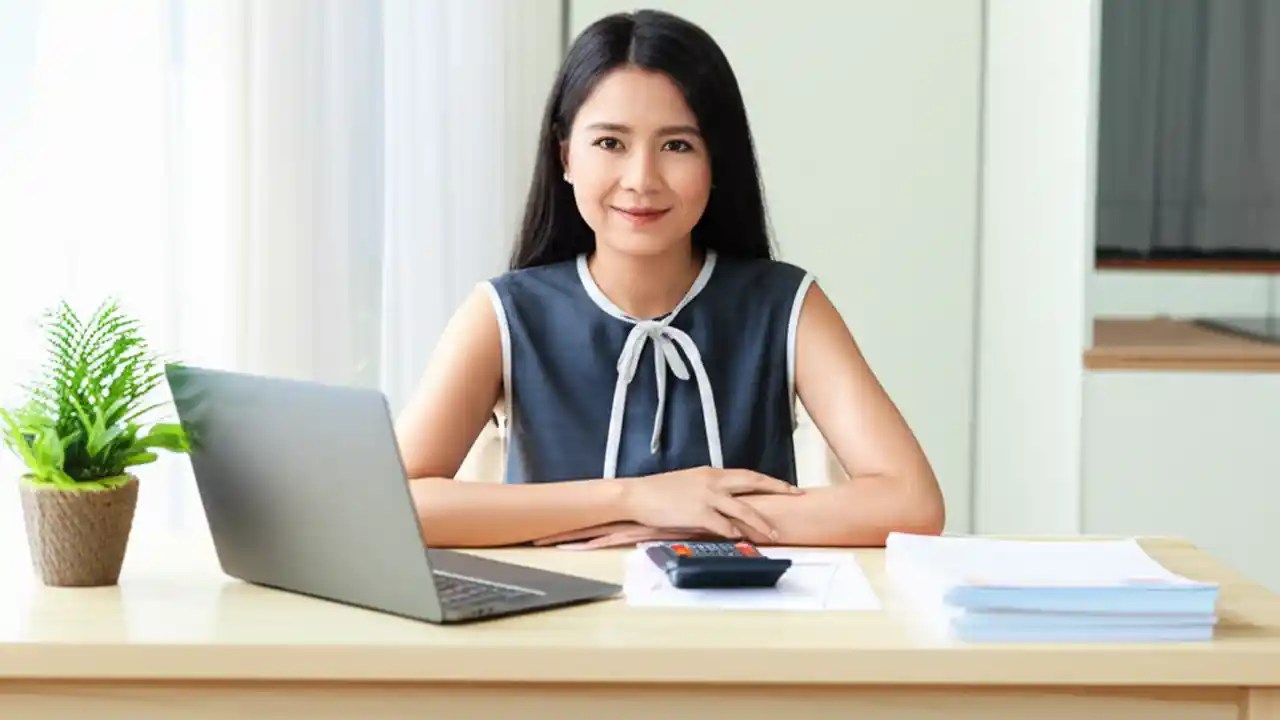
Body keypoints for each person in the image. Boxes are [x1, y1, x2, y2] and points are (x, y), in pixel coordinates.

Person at [394, 9, 943, 549]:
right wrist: (634, 499)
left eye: (677, 146)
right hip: (554, 627)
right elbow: (397, 503)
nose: (641, 179)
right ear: (565, 156)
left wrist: (702, 515)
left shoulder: (787, 304)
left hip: (739, 629)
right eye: (610, 143)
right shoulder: (502, 313)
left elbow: (910, 503)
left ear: (715, 161)